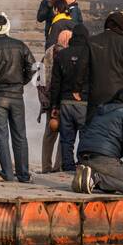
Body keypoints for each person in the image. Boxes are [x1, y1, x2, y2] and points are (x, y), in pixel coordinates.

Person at [0, 13, 35, 183]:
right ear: (8, 26)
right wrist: (21, 83)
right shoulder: (20, 46)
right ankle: (24, 175)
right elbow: (33, 68)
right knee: (20, 136)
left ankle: (7, 174)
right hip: (17, 96)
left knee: (1, 136)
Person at [85, 12, 123, 122]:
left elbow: (84, 68)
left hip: (94, 94)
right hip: (118, 96)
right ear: (122, 26)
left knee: (92, 129)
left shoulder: (91, 41)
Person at [48, 23, 90, 173]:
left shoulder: (61, 55)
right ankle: (83, 165)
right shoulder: (90, 53)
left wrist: (54, 106)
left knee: (66, 138)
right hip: (85, 102)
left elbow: (55, 83)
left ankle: (68, 166)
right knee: (85, 137)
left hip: (65, 102)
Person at [37, 28, 68, 174]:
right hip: (62, 101)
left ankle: (47, 166)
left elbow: (40, 81)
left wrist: (44, 101)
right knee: (64, 134)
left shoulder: (48, 54)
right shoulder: (68, 55)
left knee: (50, 134)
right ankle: (57, 166)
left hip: (50, 101)